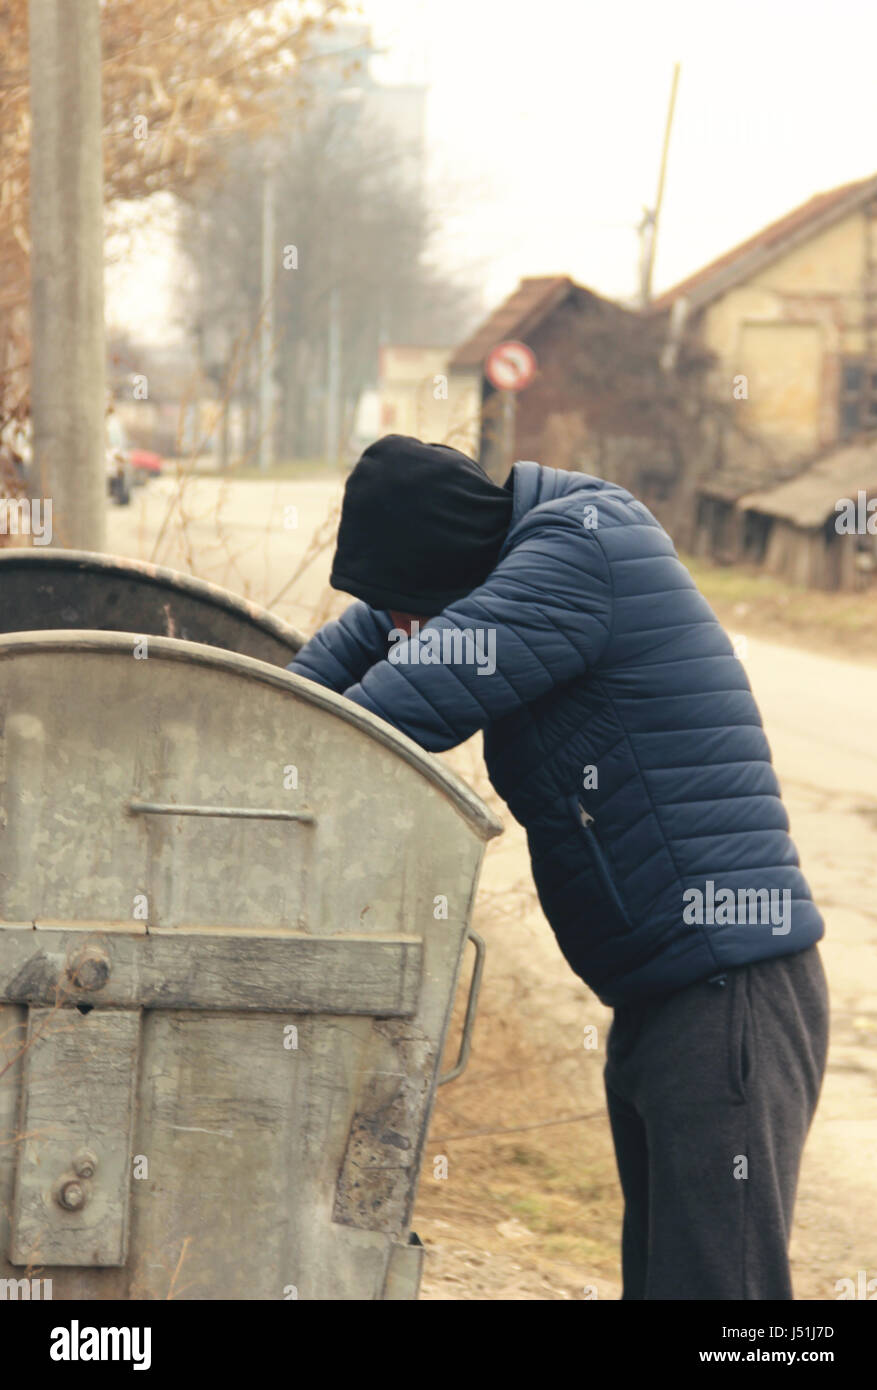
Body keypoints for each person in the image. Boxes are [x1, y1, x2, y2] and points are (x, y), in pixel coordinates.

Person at [287, 433, 828, 1301]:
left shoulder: (581, 549)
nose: (396, 628)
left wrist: (270, 752)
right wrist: (239, 713)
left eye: (405, 607)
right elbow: (322, 677)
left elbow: (385, 717)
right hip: (664, 994)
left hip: (731, 998)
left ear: (455, 568)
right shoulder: (495, 558)